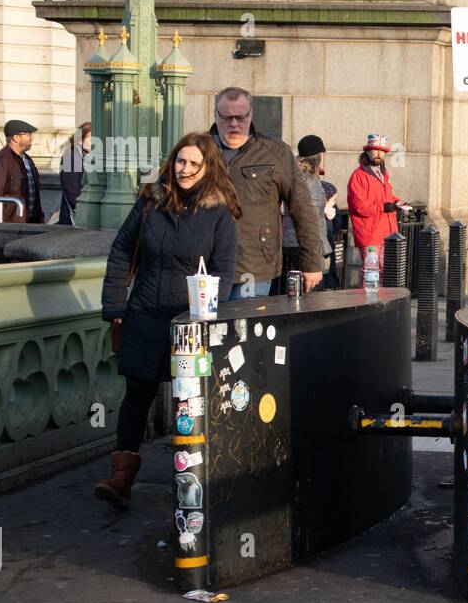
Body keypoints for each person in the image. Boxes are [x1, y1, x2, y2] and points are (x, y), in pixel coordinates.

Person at [96, 133, 240, 508]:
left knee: (188, 403)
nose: (185, 170)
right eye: (180, 161)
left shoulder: (219, 212)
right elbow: (122, 251)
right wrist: (114, 306)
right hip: (144, 312)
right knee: (136, 397)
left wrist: (209, 318)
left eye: (194, 164)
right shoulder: (150, 200)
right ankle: (121, 478)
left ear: (208, 168)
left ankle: (191, 481)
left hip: (189, 322)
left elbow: (225, 270)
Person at [210, 87, 322, 299]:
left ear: (251, 115)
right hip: (206, 266)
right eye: (226, 117)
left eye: (240, 117)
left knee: (245, 330)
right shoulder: (198, 150)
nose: (234, 124)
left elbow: (303, 208)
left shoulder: (274, 152)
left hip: (255, 265)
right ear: (215, 115)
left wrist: (312, 262)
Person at [346, 133, 410, 285]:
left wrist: (398, 202)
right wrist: (384, 207)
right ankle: (369, 305)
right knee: (372, 272)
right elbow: (359, 206)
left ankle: (379, 304)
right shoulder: (358, 176)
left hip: (386, 231)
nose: (379, 154)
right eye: (375, 150)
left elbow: (387, 196)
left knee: (384, 272)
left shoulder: (383, 173)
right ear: (367, 152)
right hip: (370, 232)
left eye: (382, 151)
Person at [279, 138, 335, 293]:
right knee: (312, 289)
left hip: (300, 239)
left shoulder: (301, 174)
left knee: (301, 288)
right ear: (317, 156)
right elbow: (299, 210)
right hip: (304, 241)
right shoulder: (305, 178)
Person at [297, 134, 341, 290]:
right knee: (313, 291)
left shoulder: (295, 174)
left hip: (297, 242)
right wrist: (323, 247)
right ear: (318, 156)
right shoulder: (309, 180)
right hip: (310, 243)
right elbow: (311, 217)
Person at [0, 119, 44, 223]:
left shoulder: (27, 160)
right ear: (16, 138)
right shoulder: (1, 160)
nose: (32, 138)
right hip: (10, 224)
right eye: (28, 134)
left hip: (30, 222)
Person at [58, 121, 92, 226]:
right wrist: (85, 212)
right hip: (75, 217)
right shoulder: (70, 157)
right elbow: (71, 191)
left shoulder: (87, 156)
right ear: (80, 139)